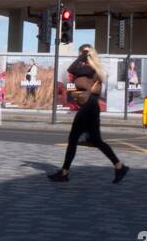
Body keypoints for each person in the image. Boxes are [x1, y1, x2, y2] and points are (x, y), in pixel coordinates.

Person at [49, 45, 128, 184]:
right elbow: (74, 72)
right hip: (90, 107)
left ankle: (64, 173)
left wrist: (83, 56)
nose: (80, 55)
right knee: (96, 140)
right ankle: (119, 166)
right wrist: (84, 57)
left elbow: (71, 69)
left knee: (73, 139)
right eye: (81, 53)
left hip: (88, 107)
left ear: (88, 54)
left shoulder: (90, 69)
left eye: (83, 53)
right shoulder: (86, 69)